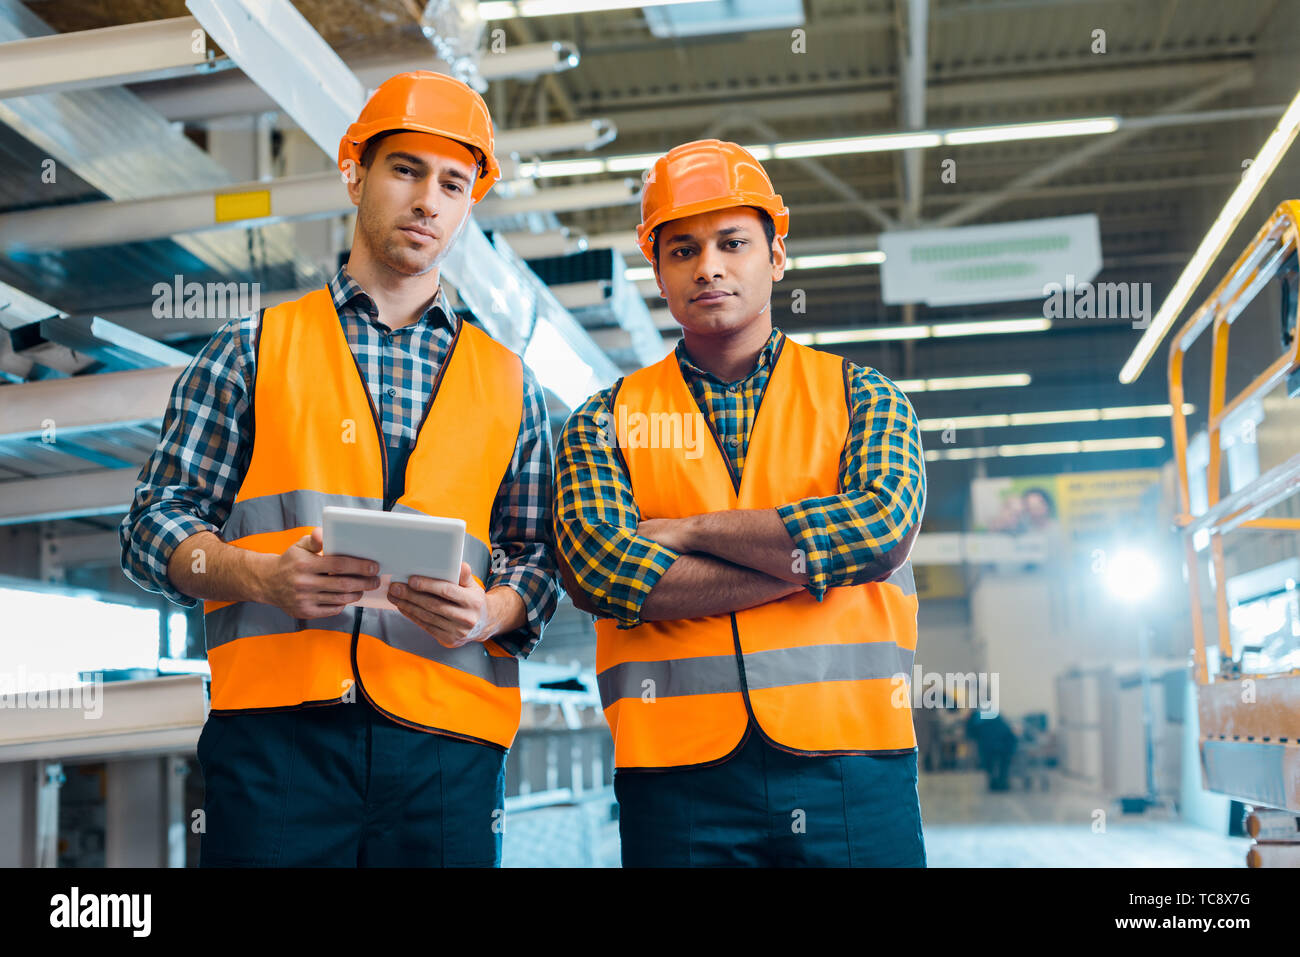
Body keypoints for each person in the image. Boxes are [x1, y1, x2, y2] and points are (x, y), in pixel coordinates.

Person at [119, 71, 558, 867]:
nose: (428, 199)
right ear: (355, 174)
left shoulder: (508, 381)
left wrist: (489, 612)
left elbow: (538, 559)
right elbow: (153, 527)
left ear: (469, 204)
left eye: (453, 183)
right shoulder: (252, 347)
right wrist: (258, 576)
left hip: (447, 749)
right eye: (405, 170)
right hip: (278, 741)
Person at [553, 140, 928, 867]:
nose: (710, 266)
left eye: (733, 243)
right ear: (658, 273)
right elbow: (599, 571)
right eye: (683, 249)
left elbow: (880, 533)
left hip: (851, 764)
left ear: (776, 257)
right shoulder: (602, 420)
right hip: (676, 776)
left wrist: (689, 530)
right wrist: (813, 562)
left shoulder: (863, 395)